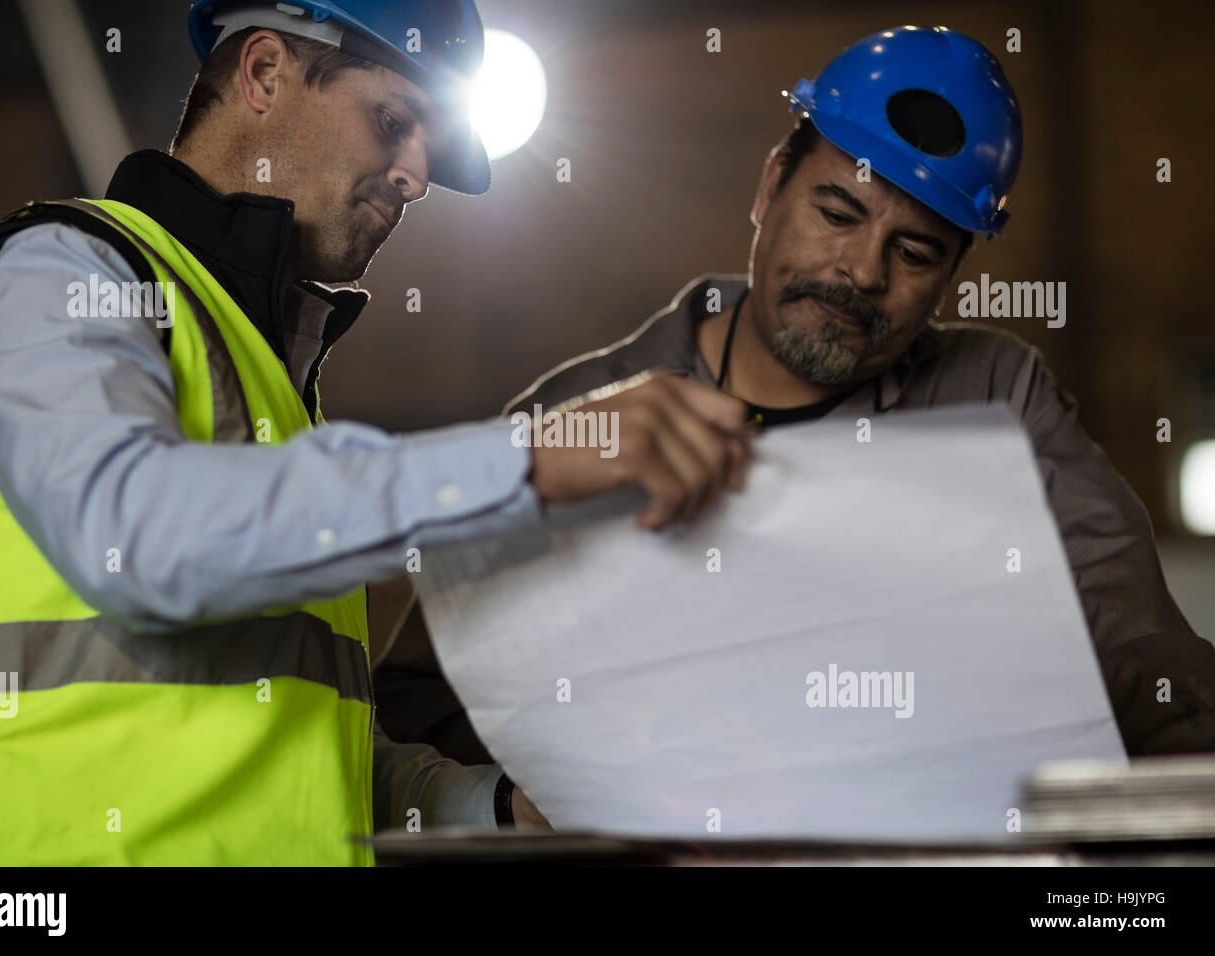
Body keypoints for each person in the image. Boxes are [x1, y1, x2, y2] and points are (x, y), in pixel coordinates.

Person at [0, 0, 750, 864]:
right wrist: (527, 461)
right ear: (265, 72)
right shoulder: (52, 275)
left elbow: (304, 743)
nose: (416, 176)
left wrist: (495, 807)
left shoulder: (278, 394)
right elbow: (134, 536)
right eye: (394, 121)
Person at [375, 25, 1215, 764]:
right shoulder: (582, 415)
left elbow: (1145, 661)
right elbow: (420, 704)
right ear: (770, 184)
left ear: (951, 276)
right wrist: (604, 753)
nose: (861, 272)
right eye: (838, 211)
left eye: (915, 253)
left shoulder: (995, 399)